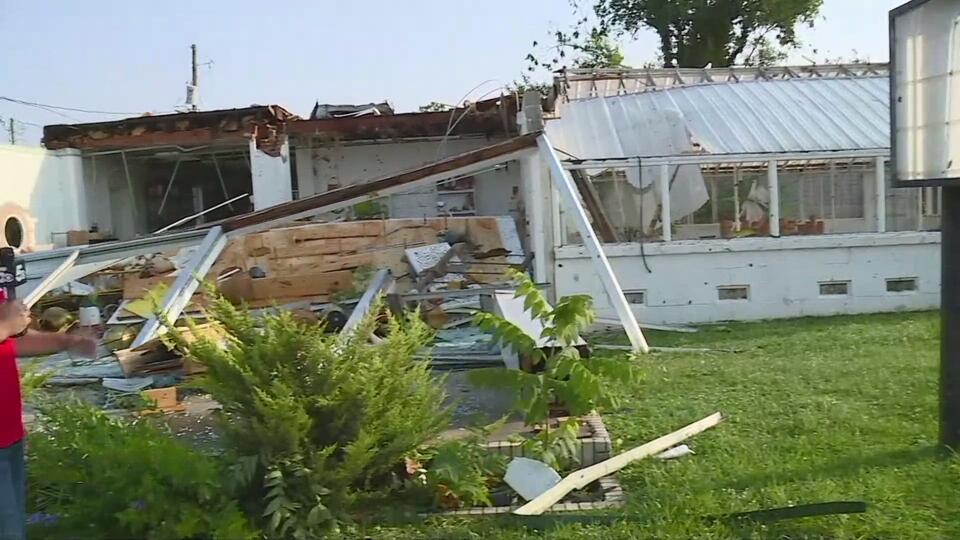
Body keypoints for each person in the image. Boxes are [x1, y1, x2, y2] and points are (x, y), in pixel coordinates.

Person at [0, 293, 97, 540]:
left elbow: (10, 342)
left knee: (13, 528)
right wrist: (6, 325)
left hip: (8, 435)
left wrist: (66, 341)